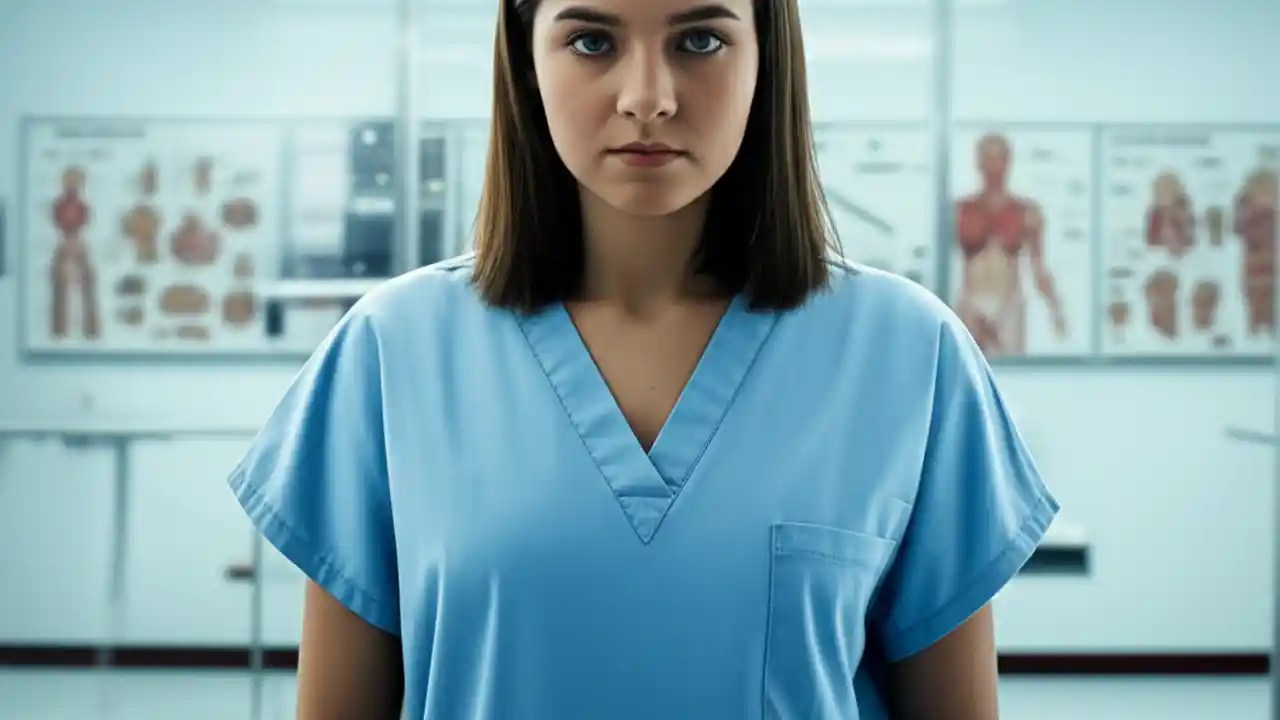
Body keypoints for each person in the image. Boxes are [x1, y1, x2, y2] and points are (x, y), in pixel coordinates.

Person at [226, 1, 1059, 718]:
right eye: (593, 41)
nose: (648, 98)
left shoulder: (906, 355)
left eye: (700, 40)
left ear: (768, 59)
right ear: (526, 60)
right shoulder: (393, 351)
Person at [954, 133, 1067, 357]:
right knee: (965, 368)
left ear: (1008, 162)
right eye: (987, 159)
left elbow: (1038, 267)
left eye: (998, 159)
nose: (993, 167)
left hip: (1008, 304)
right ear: (978, 163)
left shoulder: (1026, 212)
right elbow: (939, 264)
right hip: (971, 303)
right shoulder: (961, 211)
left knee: (1010, 370)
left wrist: (1056, 308)